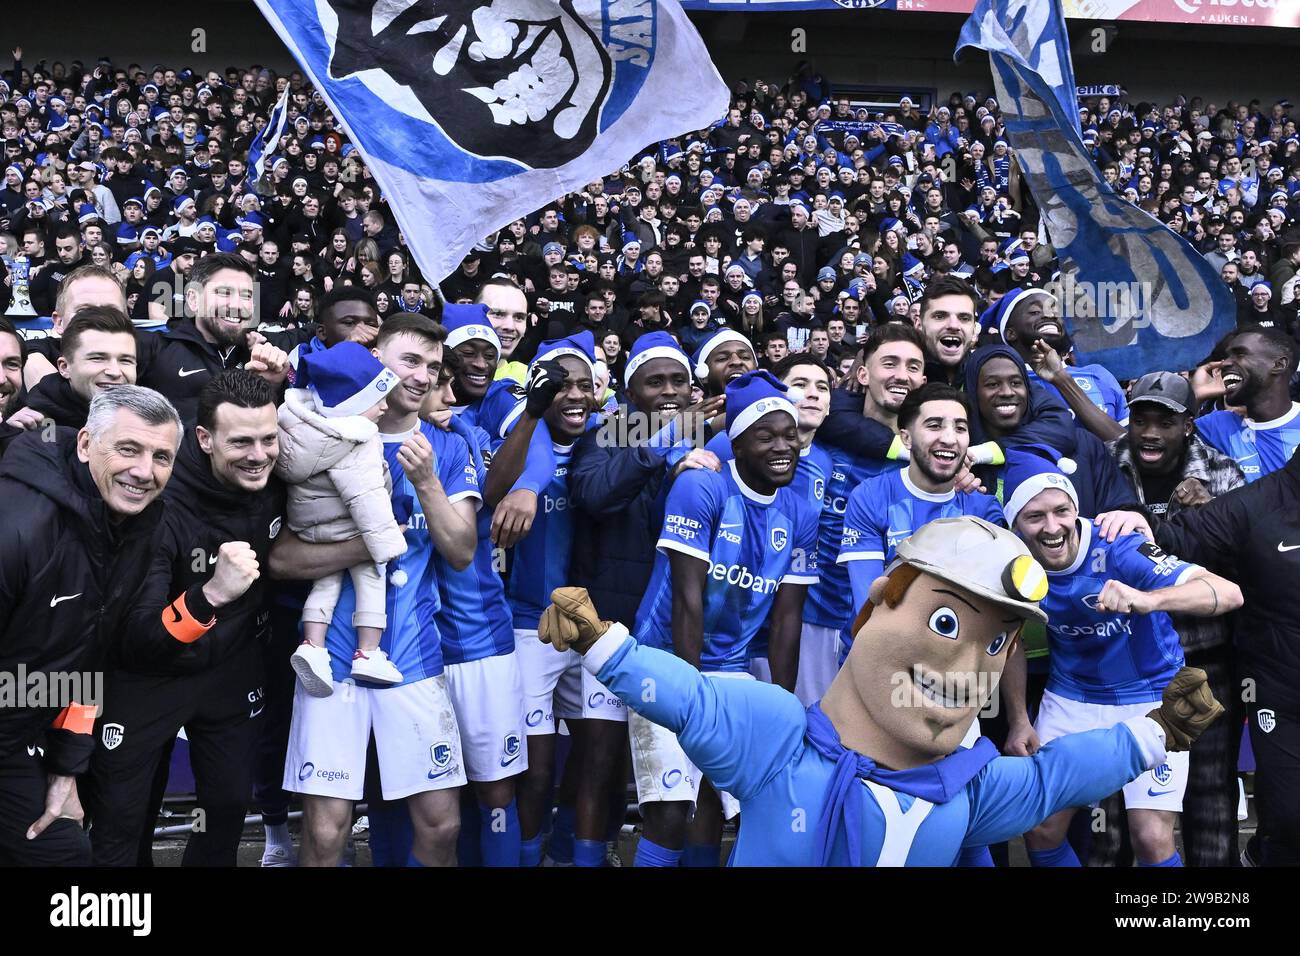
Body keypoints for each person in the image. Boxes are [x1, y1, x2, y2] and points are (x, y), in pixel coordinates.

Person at [535, 516, 1224, 865]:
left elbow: (1054, 779)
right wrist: (603, 642)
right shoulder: (780, 739)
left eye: (993, 644)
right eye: (946, 621)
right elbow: (691, 697)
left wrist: (1155, 732)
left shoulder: (964, 786)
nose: (965, 665)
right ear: (870, 610)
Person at [272, 313, 477, 867]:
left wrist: (427, 482)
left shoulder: (448, 448)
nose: (421, 376)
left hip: (414, 658)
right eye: (409, 360)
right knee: (324, 833)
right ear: (376, 361)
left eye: (432, 367)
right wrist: (367, 548)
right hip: (330, 662)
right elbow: (282, 558)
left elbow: (461, 550)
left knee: (441, 826)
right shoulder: (316, 436)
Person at [998, 449, 1241, 867]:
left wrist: (1148, 599)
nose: (1053, 527)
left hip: (1152, 697)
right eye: (1035, 517)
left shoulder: (1118, 545)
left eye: (1061, 511)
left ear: (1076, 508)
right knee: (1040, 829)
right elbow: (1011, 641)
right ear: (1014, 524)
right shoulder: (1011, 564)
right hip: (1071, 699)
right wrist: (1019, 718)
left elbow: (1226, 592)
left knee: (1150, 836)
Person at [86, 371, 285, 867]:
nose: (258, 455)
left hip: (233, 668)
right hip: (148, 675)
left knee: (227, 807)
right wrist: (210, 594)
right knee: (124, 820)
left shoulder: (279, 472)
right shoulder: (160, 500)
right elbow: (139, 636)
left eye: (268, 439)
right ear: (205, 439)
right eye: (240, 442)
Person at [627, 370, 820, 867]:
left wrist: (783, 702)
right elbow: (686, 598)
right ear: (736, 440)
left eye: (790, 434)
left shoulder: (800, 512)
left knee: (714, 802)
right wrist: (691, 696)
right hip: (667, 658)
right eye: (765, 435)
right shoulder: (701, 487)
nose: (783, 446)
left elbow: (786, 619)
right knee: (671, 809)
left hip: (731, 668)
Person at [0, 386, 181, 865]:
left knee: (64, 856)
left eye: (161, 456)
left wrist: (66, 767)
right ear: (84, 445)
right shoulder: (16, 525)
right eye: (128, 449)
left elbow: (87, 654)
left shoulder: (136, 524)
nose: (144, 471)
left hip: (19, 739)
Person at [567, 331, 721, 866]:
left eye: (679, 380)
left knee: (689, 772)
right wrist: (658, 449)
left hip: (670, 633)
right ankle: (588, 857)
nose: (670, 390)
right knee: (601, 761)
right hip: (609, 630)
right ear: (630, 394)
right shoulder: (603, 434)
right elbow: (595, 494)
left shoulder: (702, 443)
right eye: (655, 382)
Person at [480, 332, 610, 867]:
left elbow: (665, 433)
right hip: (529, 627)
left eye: (584, 384)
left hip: (595, 626)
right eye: (560, 386)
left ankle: (573, 854)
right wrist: (528, 484)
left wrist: (700, 442)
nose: (574, 395)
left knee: (597, 760)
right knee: (533, 772)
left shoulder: (605, 435)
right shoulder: (516, 422)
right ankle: (527, 855)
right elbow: (511, 462)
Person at [1107, 370, 1246, 867]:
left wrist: (1203, 514)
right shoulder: (1107, 465)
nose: (1149, 432)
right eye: (1140, 419)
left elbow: (1237, 568)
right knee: (1119, 802)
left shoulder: (1223, 472)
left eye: (1163, 422)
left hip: (1202, 660)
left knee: (1209, 795)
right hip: (1123, 666)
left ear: (1188, 425)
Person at [1156, 444, 1300, 866]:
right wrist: (1130, 516)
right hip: (1279, 687)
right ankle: (1261, 854)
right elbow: (1176, 536)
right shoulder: (1258, 503)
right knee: (1289, 817)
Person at [275, 341, 408, 694]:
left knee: (325, 582)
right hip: (347, 528)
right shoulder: (356, 440)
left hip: (309, 528)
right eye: (377, 399)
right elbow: (367, 497)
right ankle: (368, 652)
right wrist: (388, 543)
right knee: (371, 577)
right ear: (353, 405)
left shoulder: (300, 426)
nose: (385, 406)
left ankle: (312, 646)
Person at [839, 383, 1004, 622]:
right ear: (906, 438)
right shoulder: (870, 496)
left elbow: (989, 607)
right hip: (879, 649)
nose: (949, 438)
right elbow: (869, 605)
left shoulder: (983, 508)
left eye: (960, 428)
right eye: (934, 426)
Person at [1195, 326, 1300, 482]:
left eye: (1240, 354)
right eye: (1227, 356)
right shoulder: (1218, 424)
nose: (1224, 364)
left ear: (1278, 365)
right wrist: (1196, 396)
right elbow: (1158, 438)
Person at [18, 306, 137, 429]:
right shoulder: (34, 424)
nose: (115, 372)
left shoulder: (150, 420)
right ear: (64, 368)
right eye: (98, 358)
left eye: (125, 360)